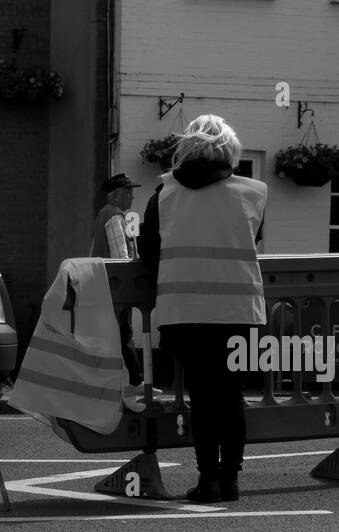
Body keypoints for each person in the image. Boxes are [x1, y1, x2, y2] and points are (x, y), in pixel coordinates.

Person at [138, 114, 266, 503]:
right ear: (230, 151)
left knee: (203, 398)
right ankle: (231, 480)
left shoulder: (163, 194)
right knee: (232, 396)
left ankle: (208, 479)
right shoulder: (254, 192)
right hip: (238, 311)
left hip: (185, 310)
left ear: (185, 149)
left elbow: (148, 252)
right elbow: (253, 240)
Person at [90, 172, 144, 387]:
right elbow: (120, 255)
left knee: (120, 334)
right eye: (128, 192)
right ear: (115, 195)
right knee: (121, 333)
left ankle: (131, 380)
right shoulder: (114, 216)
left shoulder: (113, 214)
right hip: (115, 285)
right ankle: (134, 381)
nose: (132, 197)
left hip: (107, 284)